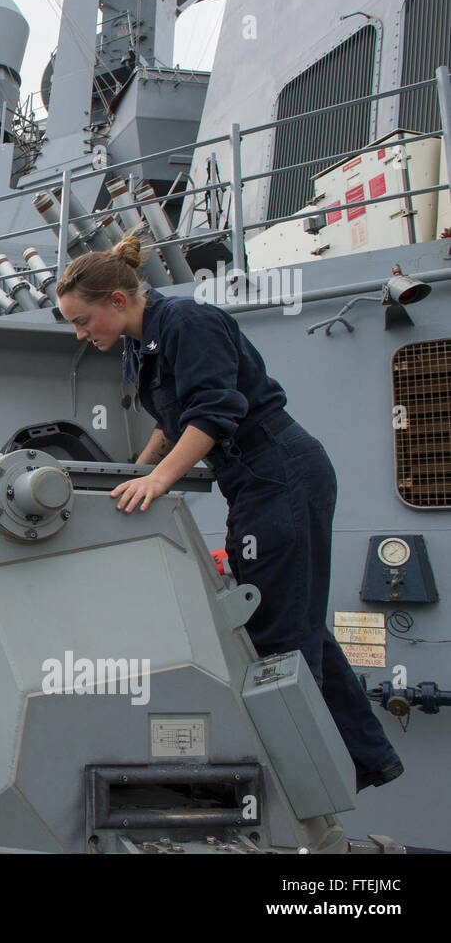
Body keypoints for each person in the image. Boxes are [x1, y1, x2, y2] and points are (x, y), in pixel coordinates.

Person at [55, 231, 404, 793]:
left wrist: (159, 484)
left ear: (117, 302)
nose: (80, 332)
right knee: (297, 620)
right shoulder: (137, 342)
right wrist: (134, 472)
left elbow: (216, 411)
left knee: (279, 634)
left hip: (280, 474)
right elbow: (173, 421)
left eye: (82, 319)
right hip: (251, 484)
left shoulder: (189, 324)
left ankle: (300, 787)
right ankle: (364, 761)